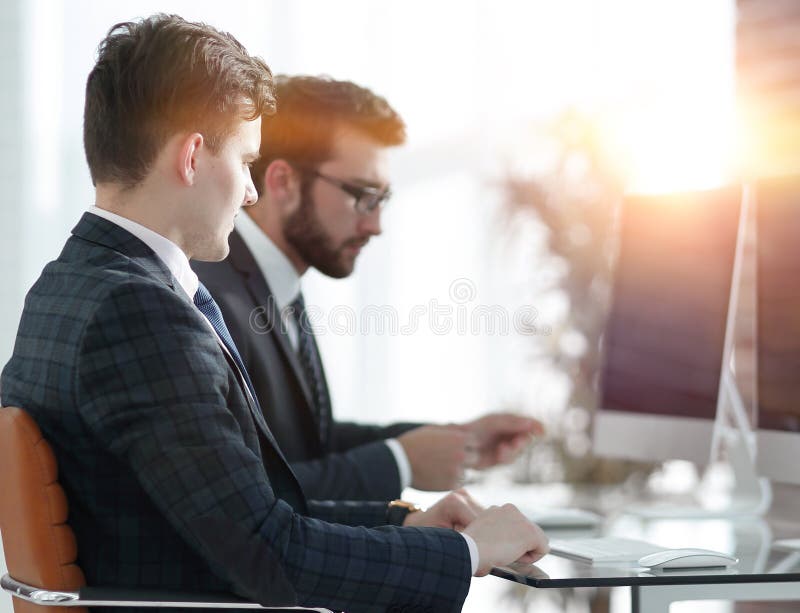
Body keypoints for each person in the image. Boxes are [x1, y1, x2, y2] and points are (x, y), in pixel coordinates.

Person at [0, 14, 548, 613]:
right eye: (245, 161)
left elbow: (241, 508)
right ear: (191, 158)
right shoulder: (140, 311)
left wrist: (404, 525)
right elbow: (269, 552)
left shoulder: (69, 283)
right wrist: (467, 556)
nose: (252, 194)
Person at [193, 75, 543, 501]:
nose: (375, 225)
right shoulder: (210, 298)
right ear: (283, 183)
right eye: (363, 195)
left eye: (383, 199)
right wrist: (401, 461)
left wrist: (455, 441)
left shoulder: (275, 282)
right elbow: (255, 493)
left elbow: (306, 443)